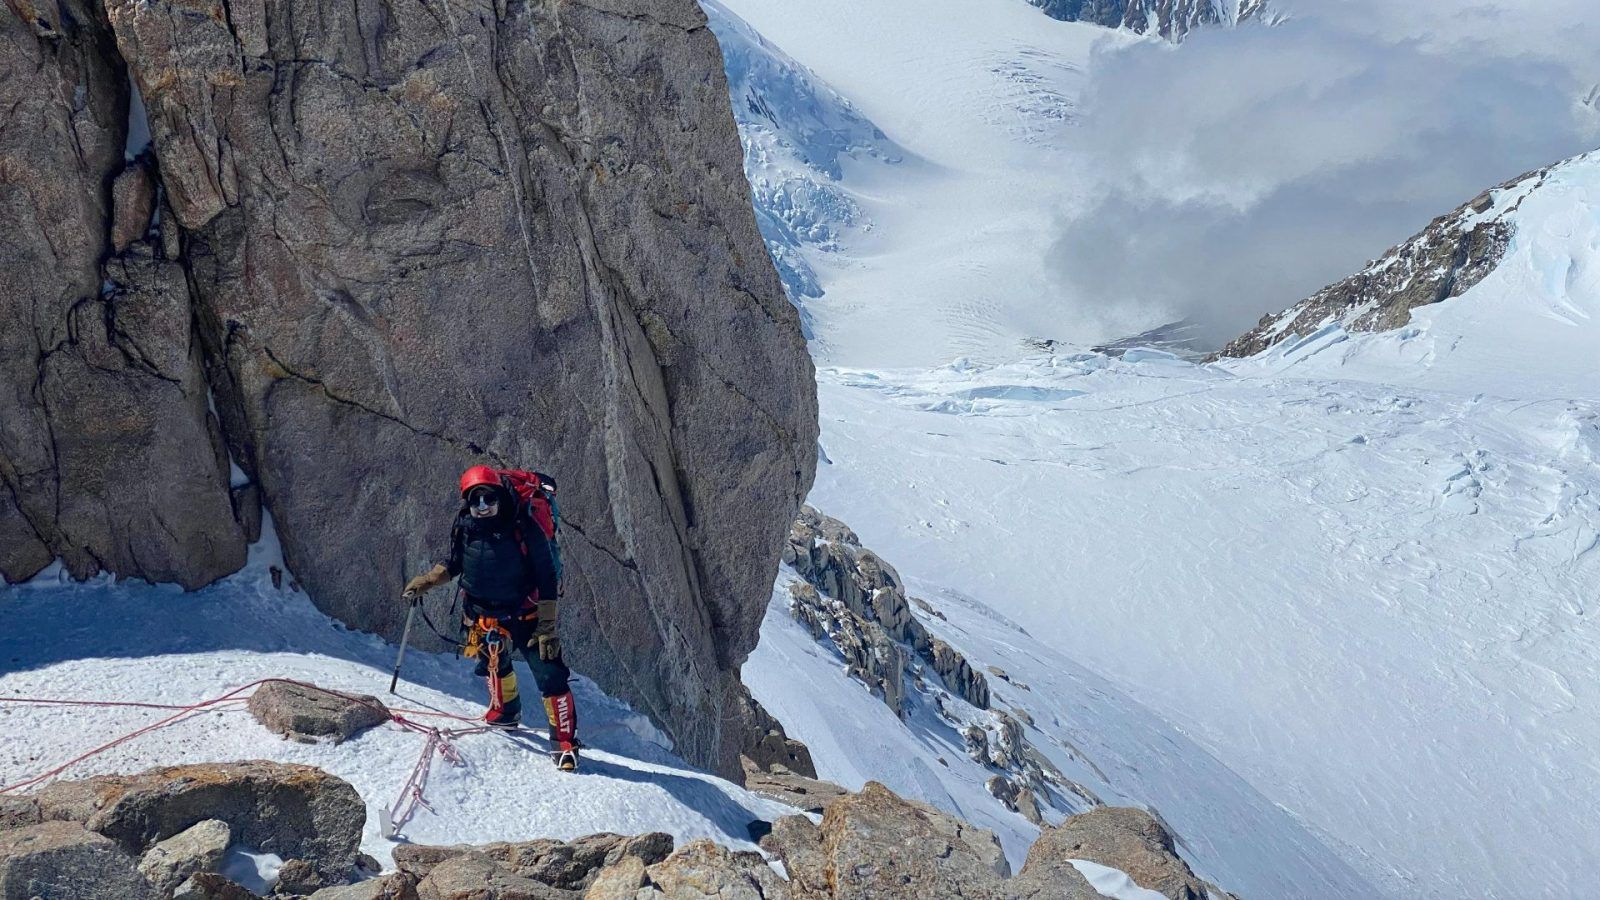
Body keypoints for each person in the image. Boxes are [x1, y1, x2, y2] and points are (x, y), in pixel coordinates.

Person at [403, 465, 579, 770]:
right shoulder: (466, 525)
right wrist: (428, 581)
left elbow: (547, 575)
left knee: (550, 675)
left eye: (488, 498)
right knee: (494, 663)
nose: (482, 506)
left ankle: (564, 743)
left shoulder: (523, 525)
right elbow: (455, 562)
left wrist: (547, 624)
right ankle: (504, 712)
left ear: (499, 495)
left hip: (526, 612)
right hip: (482, 613)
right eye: (476, 500)